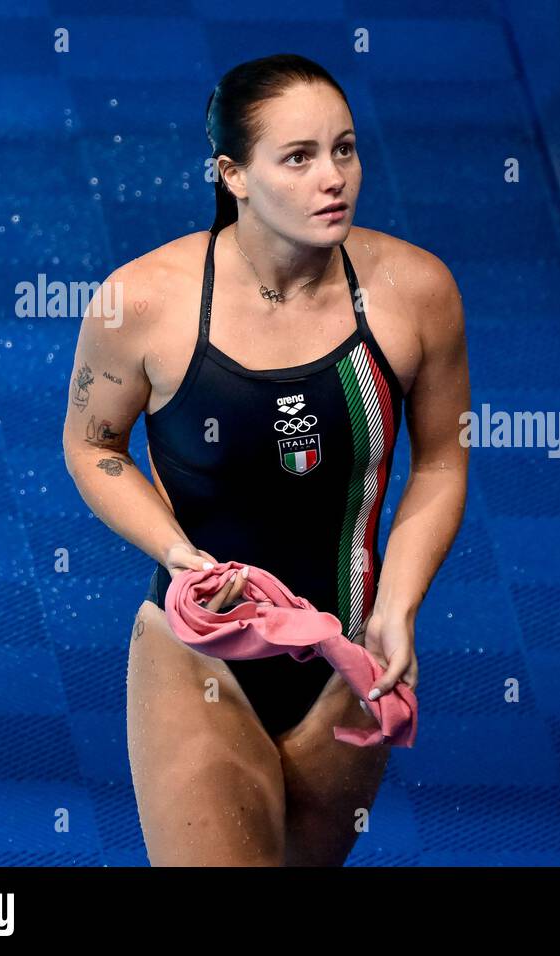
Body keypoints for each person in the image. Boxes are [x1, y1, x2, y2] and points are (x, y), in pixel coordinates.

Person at [61, 53, 469, 866]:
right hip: (201, 650)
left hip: (351, 659)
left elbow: (440, 466)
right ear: (233, 175)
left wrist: (398, 609)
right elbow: (91, 444)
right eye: (299, 157)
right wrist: (179, 557)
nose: (334, 178)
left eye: (344, 149)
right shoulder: (141, 303)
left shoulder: (416, 293)